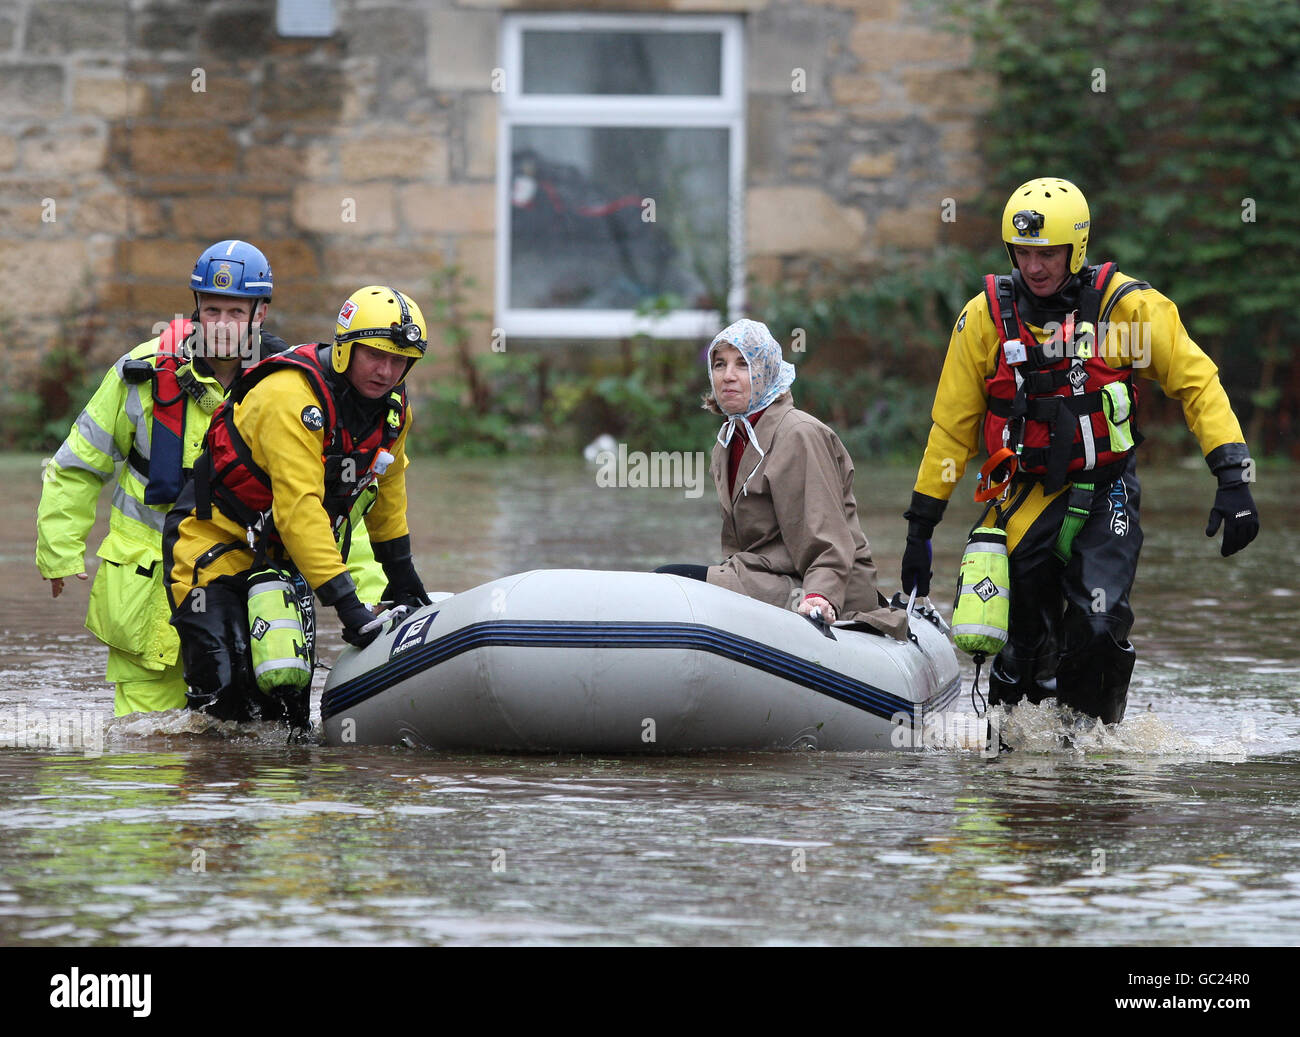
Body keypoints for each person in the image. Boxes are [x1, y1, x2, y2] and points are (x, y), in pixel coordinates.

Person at [900, 177, 1259, 725]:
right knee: (1017, 651)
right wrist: (921, 525)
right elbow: (952, 429)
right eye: (1023, 253)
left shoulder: (1128, 309)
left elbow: (1197, 385)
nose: (1034, 266)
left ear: (1077, 249)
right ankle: (1016, 766)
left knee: (1096, 627)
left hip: (1105, 490)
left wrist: (1231, 474)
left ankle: (1095, 759)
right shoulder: (982, 319)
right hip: (1023, 497)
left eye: (1047, 253)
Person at [35, 240, 295, 716]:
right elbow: (77, 464)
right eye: (211, 308)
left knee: (246, 742)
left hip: (241, 588)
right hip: (145, 587)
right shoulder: (143, 373)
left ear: (260, 314)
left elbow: (321, 498)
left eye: (234, 312)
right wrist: (59, 549)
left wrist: (366, 587)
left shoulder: (287, 386)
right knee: (141, 749)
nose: (220, 324)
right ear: (196, 305)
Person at [163, 285, 433, 729]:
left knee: (285, 705)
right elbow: (299, 508)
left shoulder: (394, 409)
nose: (387, 371)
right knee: (224, 699)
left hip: (282, 558)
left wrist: (403, 577)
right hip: (212, 543)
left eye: (399, 360)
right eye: (375, 356)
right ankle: (207, 785)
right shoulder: (292, 395)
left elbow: (388, 489)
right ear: (345, 349)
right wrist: (347, 606)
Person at [657, 318, 906, 639]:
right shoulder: (730, 439)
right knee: (670, 582)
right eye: (720, 364)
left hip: (823, 587)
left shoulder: (798, 434)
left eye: (743, 364)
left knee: (670, 579)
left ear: (766, 372)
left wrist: (821, 595)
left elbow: (827, 535)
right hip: (765, 575)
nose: (728, 375)